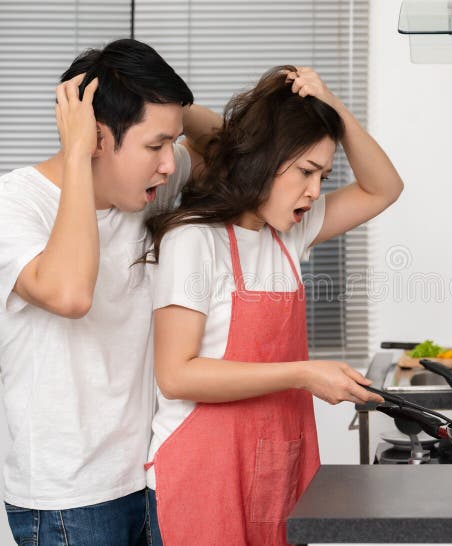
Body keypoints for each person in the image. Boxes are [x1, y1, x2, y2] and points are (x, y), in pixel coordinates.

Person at [0, 38, 221, 545]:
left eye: (170, 144)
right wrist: (78, 155)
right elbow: (70, 294)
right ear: (98, 137)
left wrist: (172, 111)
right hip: (70, 499)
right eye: (155, 146)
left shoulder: (144, 191)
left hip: (150, 477)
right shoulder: (8, 202)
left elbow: (230, 151)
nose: (169, 164)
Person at [143, 65, 403, 545]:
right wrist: (302, 374)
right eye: (305, 171)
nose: (314, 191)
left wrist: (334, 108)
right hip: (203, 478)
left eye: (323, 175)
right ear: (263, 159)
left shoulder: (287, 235)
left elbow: (383, 187)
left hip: (277, 470)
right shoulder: (194, 240)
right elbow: (177, 375)